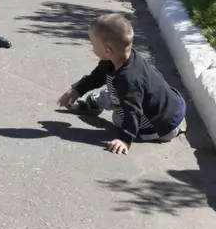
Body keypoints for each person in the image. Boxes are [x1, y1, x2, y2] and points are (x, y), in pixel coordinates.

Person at [56, 12, 186, 152]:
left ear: (107, 50)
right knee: (115, 89)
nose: (92, 47)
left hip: (161, 126)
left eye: (93, 43)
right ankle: (97, 103)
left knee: (118, 117)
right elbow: (97, 76)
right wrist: (78, 89)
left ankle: (176, 127)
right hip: (172, 106)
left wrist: (124, 139)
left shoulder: (129, 79)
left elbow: (133, 111)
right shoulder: (121, 58)